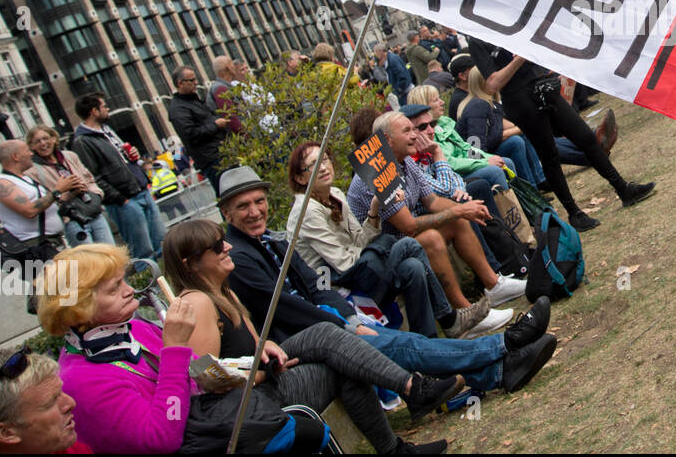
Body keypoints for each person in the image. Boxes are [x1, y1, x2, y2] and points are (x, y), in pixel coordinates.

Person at [37, 243, 447, 454]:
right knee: (331, 356)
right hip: (215, 434)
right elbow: (162, 438)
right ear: (80, 311)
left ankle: (403, 422)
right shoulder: (82, 377)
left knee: (333, 349)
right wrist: (178, 352)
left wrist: (249, 363)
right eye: (114, 289)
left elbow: (200, 375)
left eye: (124, 279)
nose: (130, 291)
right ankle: (416, 391)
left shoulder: (133, 329)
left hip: (227, 412)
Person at [218, 167, 555, 396]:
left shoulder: (273, 239)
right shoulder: (239, 256)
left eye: (259, 201)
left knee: (409, 265)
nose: (255, 211)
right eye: (243, 206)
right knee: (397, 340)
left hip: (330, 314)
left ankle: (497, 370)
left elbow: (314, 286)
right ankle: (502, 345)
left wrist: (346, 319)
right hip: (295, 341)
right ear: (227, 214)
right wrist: (346, 325)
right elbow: (286, 308)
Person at [162, 220, 465, 450]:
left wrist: (265, 346)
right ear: (191, 264)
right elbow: (207, 381)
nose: (228, 247)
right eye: (216, 247)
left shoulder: (223, 293)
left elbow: (249, 350)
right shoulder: (197, 303)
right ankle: (412, 393)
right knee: (334, 352)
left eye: (224, 241)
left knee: (330, 340)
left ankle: (407, 408)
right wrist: (263, 372)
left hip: (263, 383)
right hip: (252, 405)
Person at [285, 141, 506, 339]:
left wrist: (374, 209)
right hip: (339, 286)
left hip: (362, 266)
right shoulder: (306, 211)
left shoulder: (335, 194)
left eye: (324, 159)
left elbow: (360, 242)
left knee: (412, 267)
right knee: (411, 244)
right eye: (313, 165)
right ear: (299, 178)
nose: (323, 167)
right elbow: (344, 263)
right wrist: (381, 252)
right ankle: (450, 318)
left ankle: (427, 341)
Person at [345, 112, 527, 306]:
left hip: (403, 239)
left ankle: (494, 285)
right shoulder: (377, 169)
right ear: (387, 140)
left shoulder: (405, 160)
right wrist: (459, 210)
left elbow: (432, 201)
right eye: (407, 131)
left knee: (458, 218)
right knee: (434, 235)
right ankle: (463, 312)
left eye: (414, 130)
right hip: (381, 253)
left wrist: (466, 208)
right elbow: (408, 226)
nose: (415, 135)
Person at [469, 43, 654, 230]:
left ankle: (624, 189)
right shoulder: (477, 40)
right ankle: (574, 212)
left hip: (542, 86)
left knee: (586, 138)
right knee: (550, 156)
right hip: (519, 100)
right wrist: (520, 58)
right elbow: (493, 83)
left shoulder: (509, 18)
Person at [70, 92, 165, 259]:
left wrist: (134, 158)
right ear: (94, 111)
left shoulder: (107, 130)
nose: (108, 109)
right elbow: (93, 177)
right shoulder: (82, 141)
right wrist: (121, 199)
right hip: (124, 201)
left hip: (141, 190)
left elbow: (122, 161)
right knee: (143, 251)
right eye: (104, 106)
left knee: (161, 242)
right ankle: (151, 282)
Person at [0, 348, 89, 454]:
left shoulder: (65, 448)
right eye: (51, 402)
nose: (71, 403)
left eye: (61, 391)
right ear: (6, 433)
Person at [25, 125, 114, 246]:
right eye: (37, 141)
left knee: (111, 254)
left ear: (54, 138)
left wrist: (96, 196)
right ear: (31, 146)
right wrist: (67, 194)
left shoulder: (70, 156)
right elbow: (44, 202)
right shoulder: (32, 172)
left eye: (46, 138)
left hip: (94, 213)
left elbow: (90, 180)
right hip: (72, 220)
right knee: (90, 260)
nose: (43, 143)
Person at [455, 68, 546, 185]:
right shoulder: (478, 105)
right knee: (515, 141)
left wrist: (522, 127)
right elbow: (475, 148)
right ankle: (531, 189)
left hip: (487, 151)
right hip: (477, 159)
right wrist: (513, 131)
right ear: (483, 83)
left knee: (521, 134)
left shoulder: (490, 101)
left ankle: (540, 180)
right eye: (493, 77)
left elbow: (506, 125)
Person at [0, 140, 69, 255]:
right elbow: (29, 211)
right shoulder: (3, 184)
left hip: (51, 244)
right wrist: (57, 191)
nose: (31, 154)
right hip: (36, 249)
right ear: (16, 156)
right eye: (27, 150)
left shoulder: (24, 178)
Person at [167, 64, 232, 193]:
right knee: (228, 195)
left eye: (195, 79)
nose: (196, 83)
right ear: (180, 83)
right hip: (212, 159)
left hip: (222, 153)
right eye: (191, 80)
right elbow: (191, 134)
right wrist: (215, 125)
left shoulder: (193, 100)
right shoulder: (178, 109)